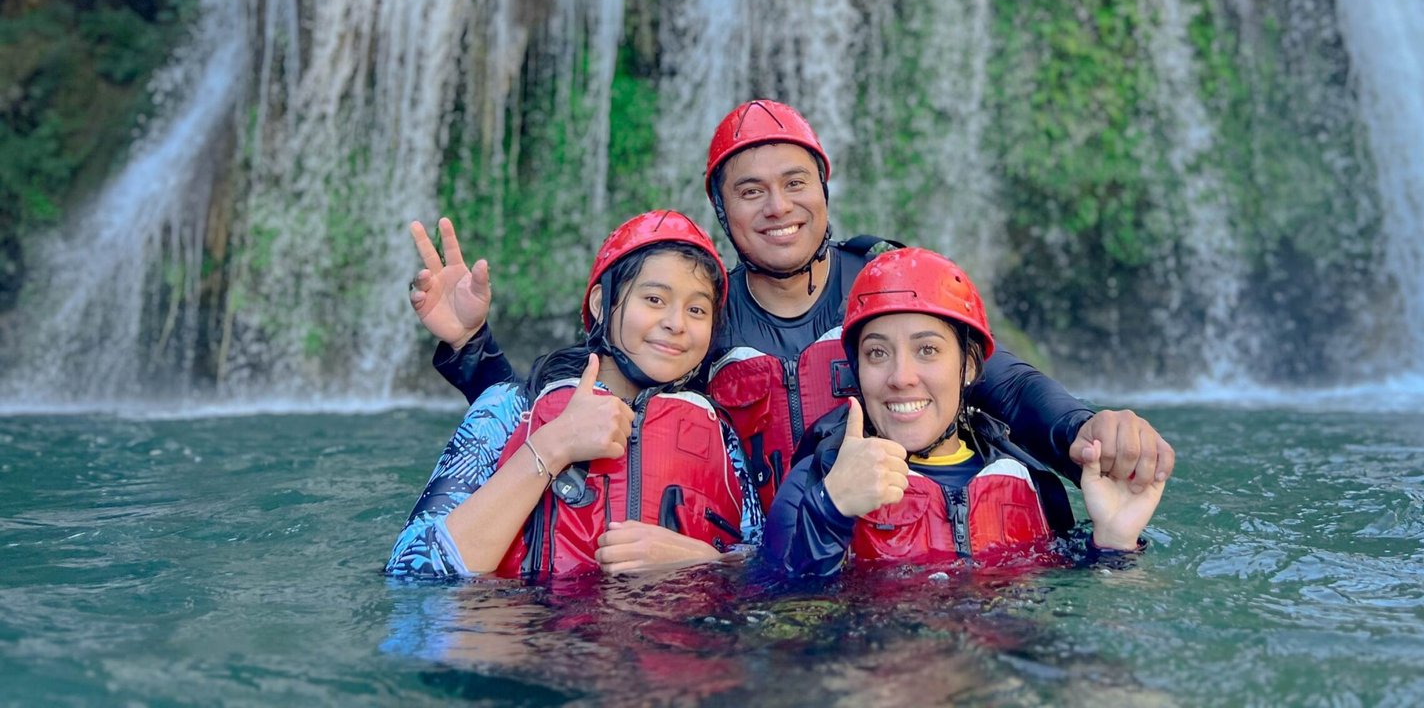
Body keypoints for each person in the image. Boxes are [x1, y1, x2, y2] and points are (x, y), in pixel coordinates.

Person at [412, 100, 1175, 510]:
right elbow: (576, 396)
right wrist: (474, 346)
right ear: (723, 214)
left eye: (795, 183)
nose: (778, 207)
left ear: (824, 191)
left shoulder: (885, 282)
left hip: (895, 539)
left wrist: (1082, 428)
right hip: (768, 563)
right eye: (750, 191)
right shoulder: (698, 314)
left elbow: (998, 379)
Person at [387, 210, 762, 580]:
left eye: (696, 309)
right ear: (601, 304)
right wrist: (553, 446)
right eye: (654, 300)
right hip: (536, 632)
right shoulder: (510, 406)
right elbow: (412, 569)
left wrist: (705, 559)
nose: (676, 324)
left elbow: (760, 565)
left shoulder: (720, 432)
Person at [763, 248, 1164, 575]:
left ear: (968, 366)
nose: (901, 377)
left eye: (927, 350)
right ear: (859, 371)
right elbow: (780, 624)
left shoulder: (1032, 485)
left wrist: (1114, 543)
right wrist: (828, 513)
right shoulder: (814, 483)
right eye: (877, 353)